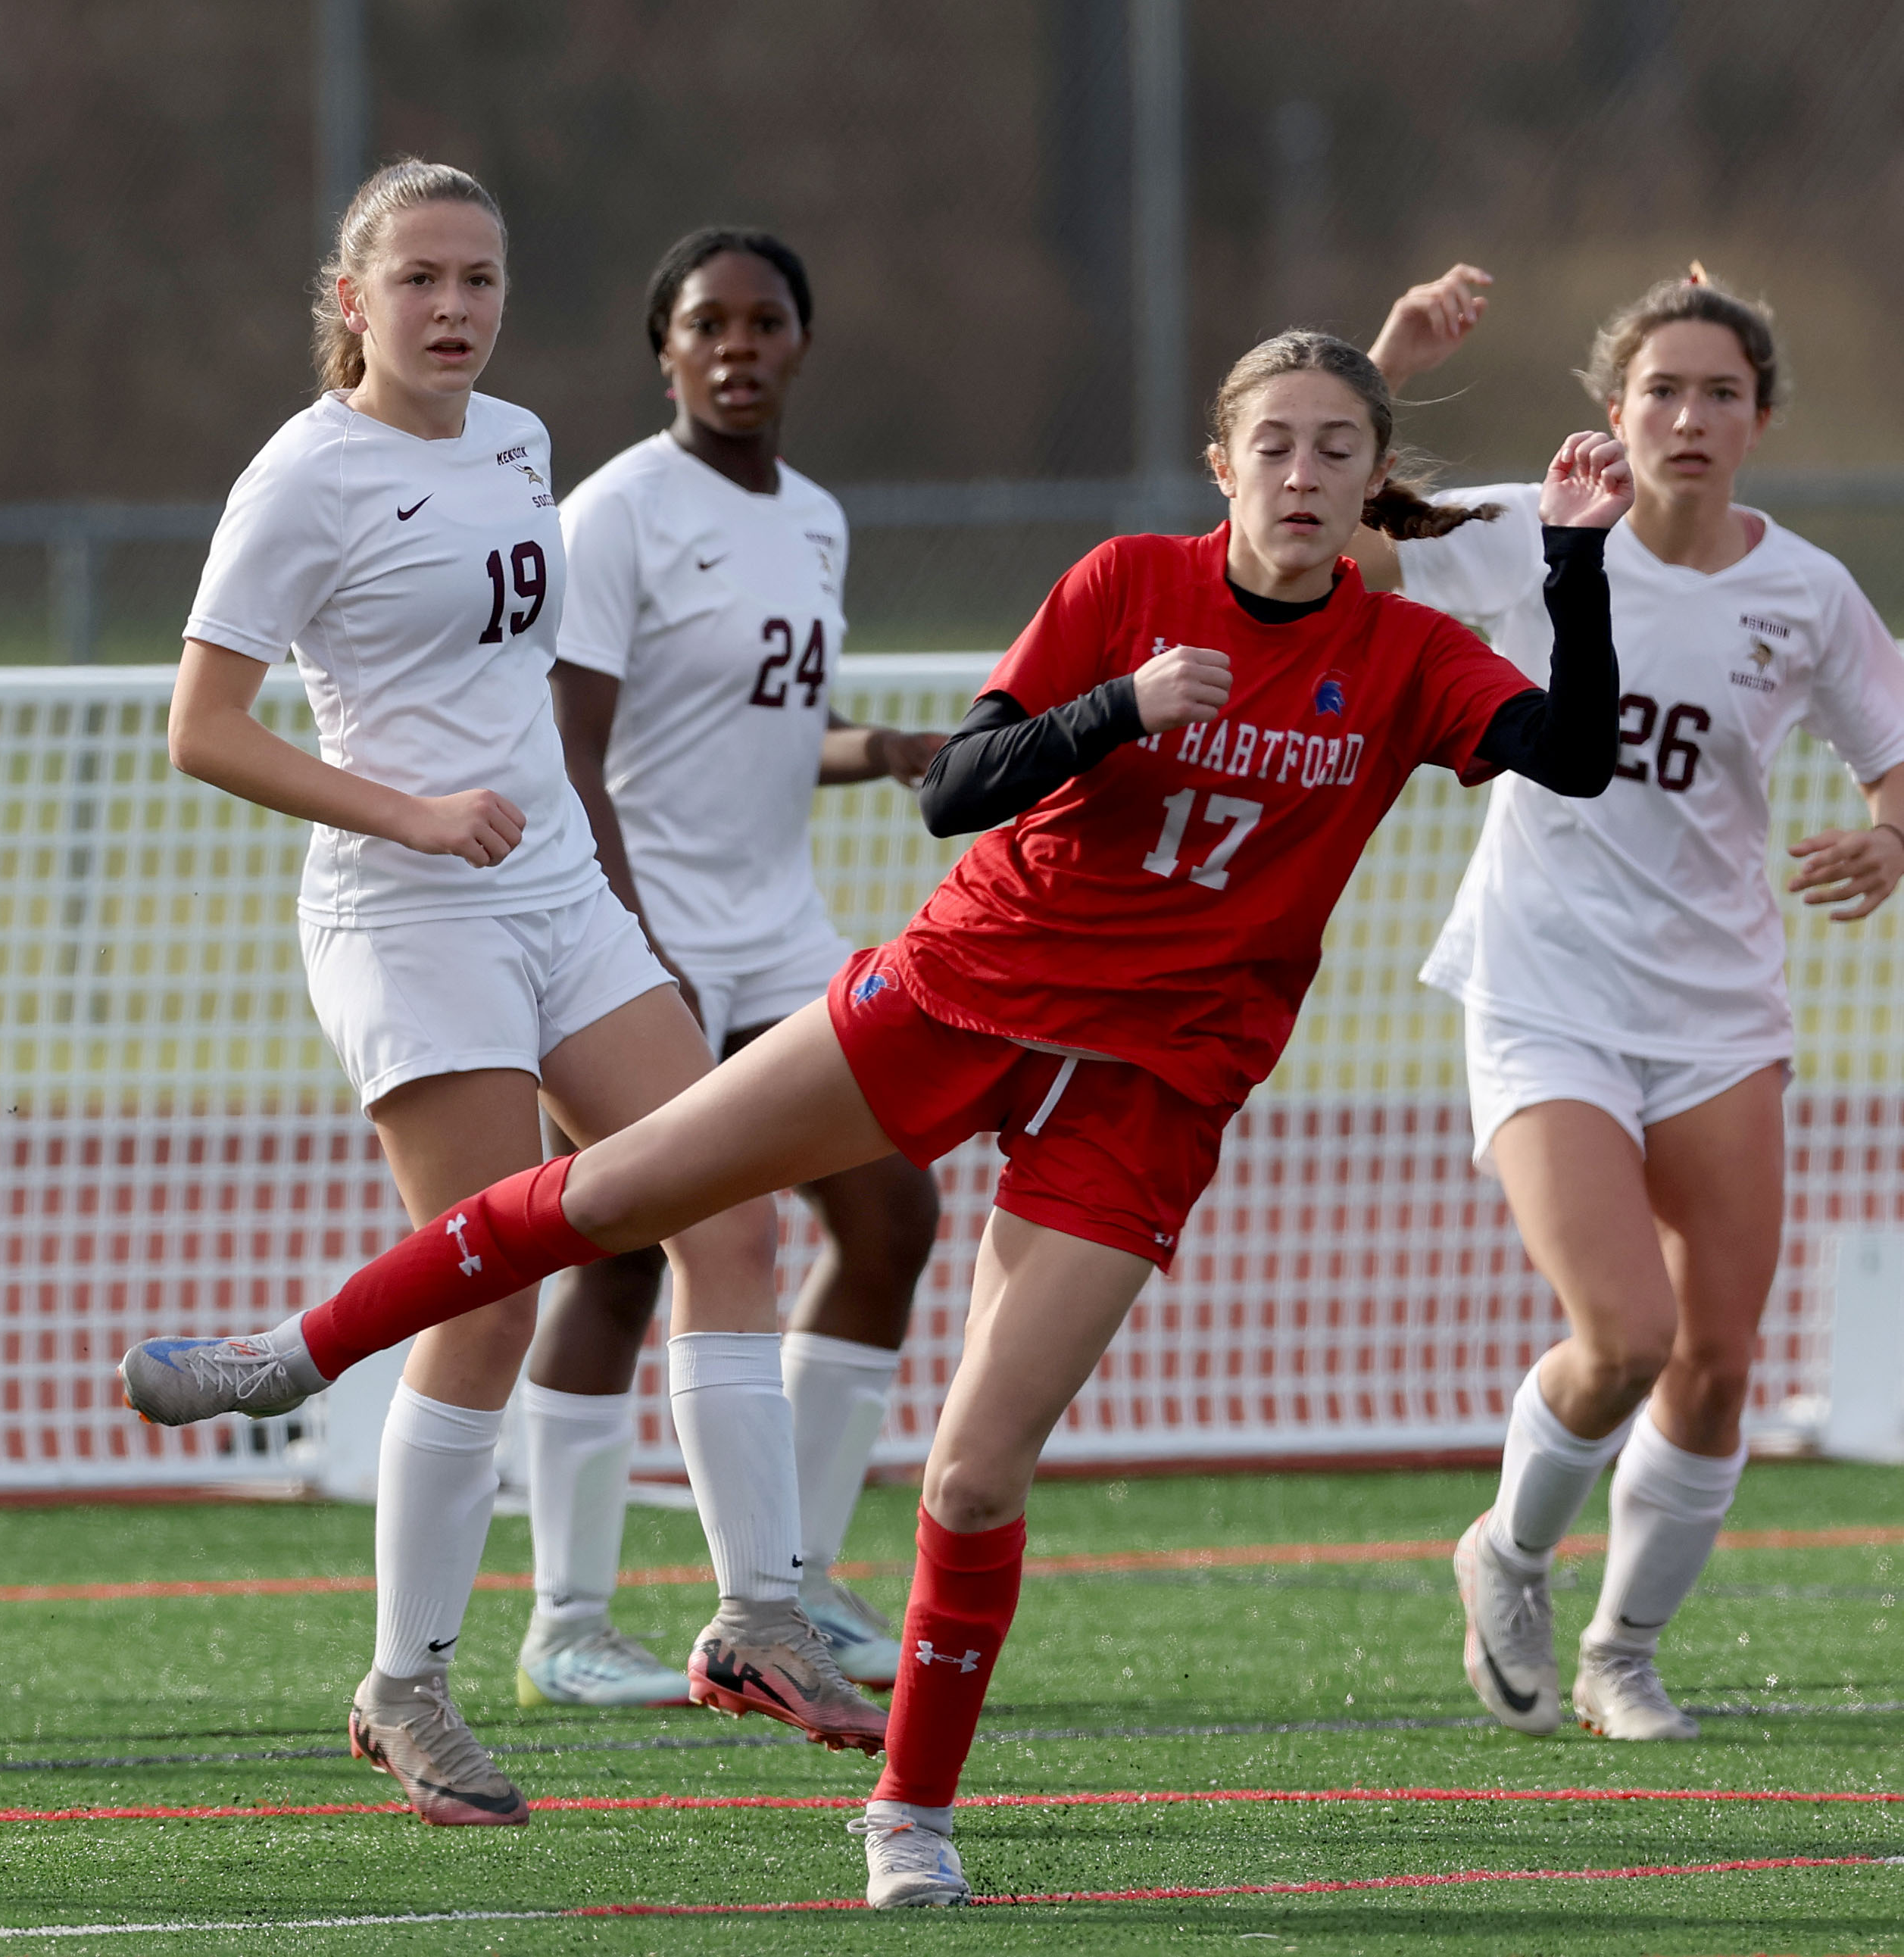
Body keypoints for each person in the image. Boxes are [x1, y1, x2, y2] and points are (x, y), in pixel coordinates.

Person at [124, 327, 1631, 1903]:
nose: (1304, 475)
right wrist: (1116, 707)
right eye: (1276, 444)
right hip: (963, 989)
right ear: (1222, 463)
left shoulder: (1397, 653)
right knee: (611, 1195)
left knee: (976, 1477)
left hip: (1154, 1080)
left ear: (1369, 477)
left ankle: (907, 1817)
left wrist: (1580, 565)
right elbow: (957, 786)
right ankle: (297, 1351)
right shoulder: (1127, 583)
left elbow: (1574, 756)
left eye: (1336, 448)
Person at [149, 159, 885, 1830]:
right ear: (353, 301)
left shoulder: (520, 439)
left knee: (732, 1218)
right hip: (409, 910)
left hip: (554, 890)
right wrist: (406, 808)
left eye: (477, 277)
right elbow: (202, 730)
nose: (455, 307)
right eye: (418, 280)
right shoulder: (304, 476)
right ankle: (405, 1685)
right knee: (486, 1294)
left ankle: (760, 1615)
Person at [1359, 262, 1904, 1740]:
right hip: (1542, 989)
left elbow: (1892, 746)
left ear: (1758, 419)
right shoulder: (1537, 527)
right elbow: (1322, 531)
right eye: (1659, 388)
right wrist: (1387, 363)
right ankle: (1510, 1552)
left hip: (1718, 1011)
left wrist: (1888, 834)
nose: (1685, 414)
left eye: (1717, 392)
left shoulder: (1802, 591)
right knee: (1621, 1332)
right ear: (1613, 409)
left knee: (1718, 1361)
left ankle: (1620, 1651)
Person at [545, 226, 945, 1688]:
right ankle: (570, 1627)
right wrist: (623, 936)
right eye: (706, 322)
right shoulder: (614, 514)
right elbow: (572, 749)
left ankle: (800, 1577)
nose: (736, 346)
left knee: (891, 1219)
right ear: (664, 347)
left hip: (780, 935)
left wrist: (879, 750)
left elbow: (753, 730)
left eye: (763, 321)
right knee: (617, 1260)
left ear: (799, 343)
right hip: (638, 938)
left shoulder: (818, 518)